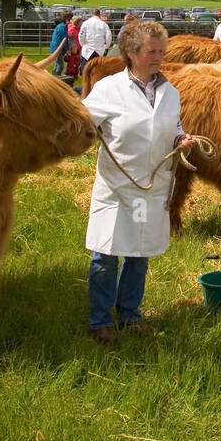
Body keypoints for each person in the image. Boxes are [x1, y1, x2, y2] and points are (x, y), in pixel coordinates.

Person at [81, 20, 196, 342]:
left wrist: (179, 139)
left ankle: (130, 314)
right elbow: (83, 124)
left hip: (153, 186)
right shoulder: (109, 89)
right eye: (152, 51)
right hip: (118, 187)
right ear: (132, 52)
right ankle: (99, 321)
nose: (159, 57)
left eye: (162, 51)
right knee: (106, 254)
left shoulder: (169, 92)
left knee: (139, 253)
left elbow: (172, 125)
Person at [78, 8, 111, 74]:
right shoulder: (103, 24)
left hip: (87, 50)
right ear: (99, 15)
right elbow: (108, 36)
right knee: (98, 72)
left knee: (85, 72)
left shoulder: (85, 23)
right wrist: (106, 46)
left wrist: (83, 44)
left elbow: (81, 35)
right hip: (99, 50)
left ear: (91, 14)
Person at [49, 11, 73, 76]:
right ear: (67, 19)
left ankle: (53, 77)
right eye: (70, 19)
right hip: (58, 48)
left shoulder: (62, 26)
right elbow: (64, 39)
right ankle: (57, 78)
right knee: (60, 65)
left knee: (57, 64)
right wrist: (67, 49)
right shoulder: (62, 27)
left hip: (56, 47)